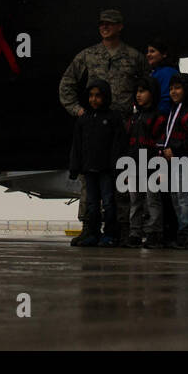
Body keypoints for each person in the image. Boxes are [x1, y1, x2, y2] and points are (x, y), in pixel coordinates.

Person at [59, 9, 149, 241]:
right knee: (89, 182)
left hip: (122, 128)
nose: (105, 27)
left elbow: (149, 85)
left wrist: (140, 116)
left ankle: (118, 228)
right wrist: (79, 111)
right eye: (102, 24)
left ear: (120, 26)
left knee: (119, 179)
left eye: (110, 23)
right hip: (94, 129)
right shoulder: (88, 56)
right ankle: (89, 227)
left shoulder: (134, 57)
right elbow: (66, 85)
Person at [68, 79, 127, 248]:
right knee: (92, 204)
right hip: (89, 169)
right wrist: (74, 167)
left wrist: (117, 167)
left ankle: (110, 234)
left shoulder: (113, 118)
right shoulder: (83, 119)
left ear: (106, 97)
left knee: (108, 202)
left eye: (98, 96)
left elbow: (119, 145)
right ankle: (92, 233)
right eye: (91, 96)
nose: (94, 99)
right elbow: (77, 146)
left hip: (107, 170)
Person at [150, 73, 188, 248]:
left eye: (177, 88)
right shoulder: (172, 112)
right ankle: (181, 233)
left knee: (185, 198)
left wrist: (175, 149)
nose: (173, 92)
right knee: (176, 198)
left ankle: (187, 235)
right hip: (171, 162)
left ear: (186, 89)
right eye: (171, 89)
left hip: (184, 161)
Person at [125, 78, 161, 247]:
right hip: (134, 167)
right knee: (135, 201)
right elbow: (127, 145)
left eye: (142, 91)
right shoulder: (133, 119)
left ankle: (154, 232)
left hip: (152, 166)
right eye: (137, 92)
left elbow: (161, 143)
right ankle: (135, 233)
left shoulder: (158, 117)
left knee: (152, 200)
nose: (138, 95)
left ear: (151, 94)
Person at [146, 39, 180, 118]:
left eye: (152, 51)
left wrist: (154, 117)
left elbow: (166, 101)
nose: (148, 54)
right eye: (147, 52)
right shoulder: (155, 73)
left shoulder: (167, 72)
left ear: (164, 54)